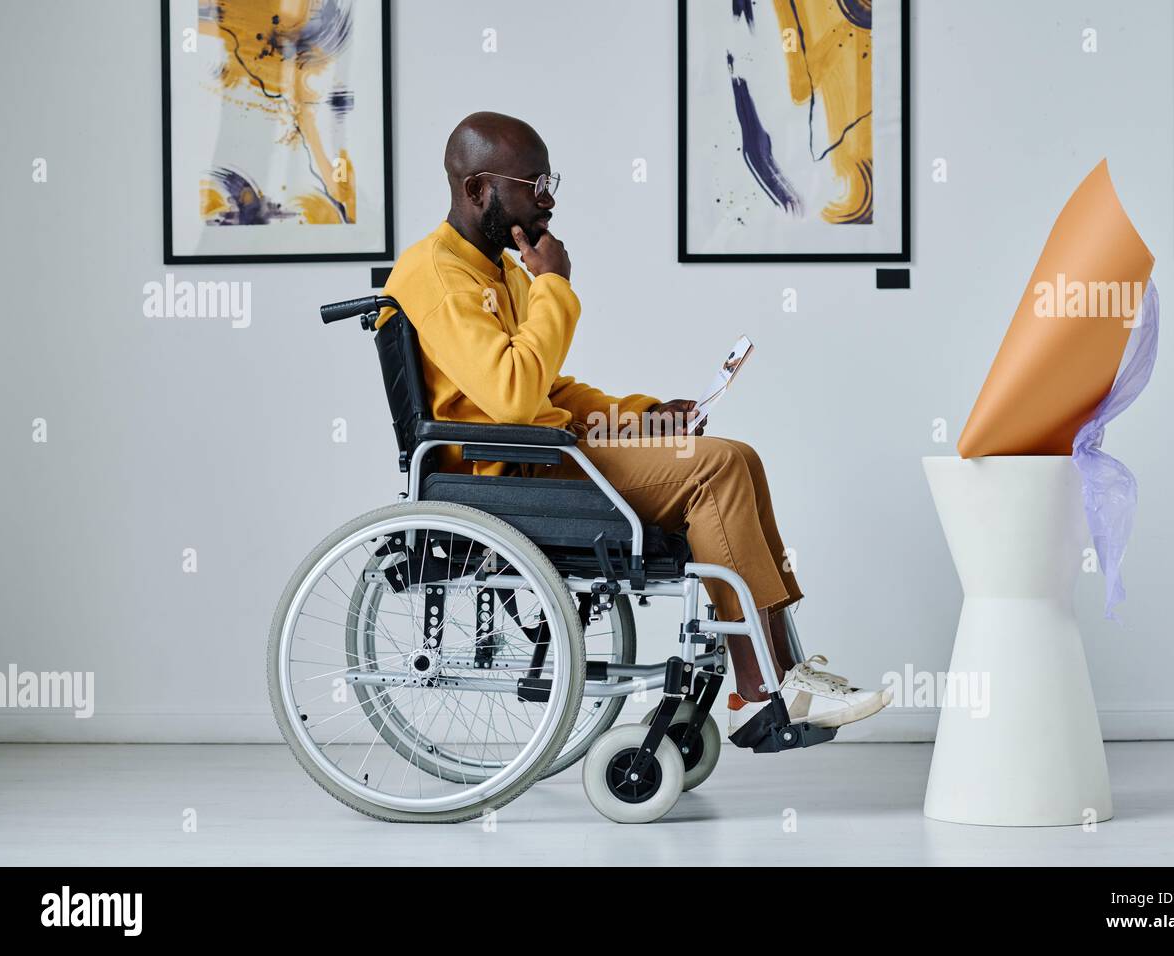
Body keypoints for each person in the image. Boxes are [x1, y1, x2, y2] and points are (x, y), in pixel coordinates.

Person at [379, 111, 891, 733]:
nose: (549, 202)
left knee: (740, 457)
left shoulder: (498, 272)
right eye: (533, 185)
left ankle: (785, 671)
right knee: (718, 467)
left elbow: (549, 388)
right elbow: (514, 395)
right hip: (503, 472)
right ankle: (761, 688)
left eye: (550, 183)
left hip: (544, 453)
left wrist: (647, 419)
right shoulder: (438, 274)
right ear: (478, 190)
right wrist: (554, 288)